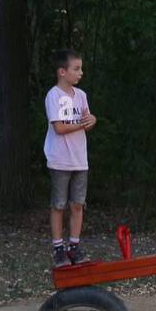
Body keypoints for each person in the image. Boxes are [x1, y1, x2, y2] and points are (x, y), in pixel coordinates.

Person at [44, 50, 97, 266]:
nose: (80, 73)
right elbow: (59, 127)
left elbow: (87, 118)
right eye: (76, 69)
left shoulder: (81, 95)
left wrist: (91, 120)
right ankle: (58, 248)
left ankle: (74, 246)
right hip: (60, 159)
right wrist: (81, 125)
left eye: (80, 68)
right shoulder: (53, 96)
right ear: (62, 72)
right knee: (59, 204)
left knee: (77, 204)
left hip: (79, 158)